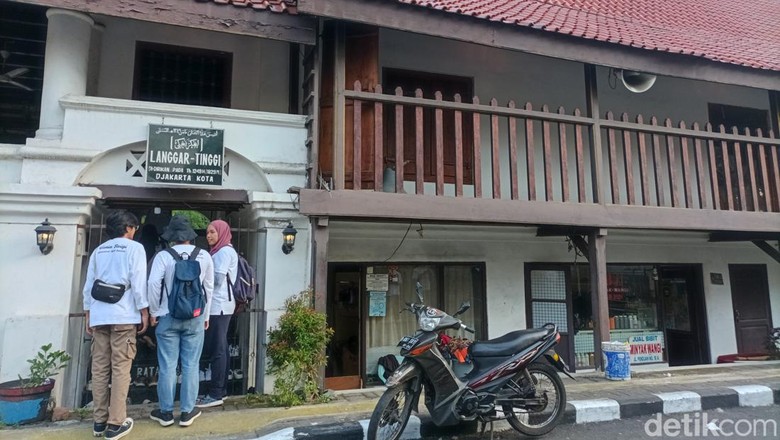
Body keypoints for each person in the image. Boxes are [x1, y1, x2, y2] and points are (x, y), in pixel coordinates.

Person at [83, 210, 149, 439]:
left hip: (100, 315)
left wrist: (88, 313)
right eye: (134, 228)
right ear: (129, 228)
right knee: (121, 368)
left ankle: (99, 422)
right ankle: (116, 422)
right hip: (124, 316)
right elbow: (139, 281)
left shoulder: (99, 251)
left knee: (99, 369)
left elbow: (89, 284)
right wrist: (144, 311)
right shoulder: (135, 249)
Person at [147, 215, 214, 428]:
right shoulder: (203, 256)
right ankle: (187, 412)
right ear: (190, 237)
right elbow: (209, 288)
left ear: (171, 237)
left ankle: (166, 413)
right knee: (191, 365)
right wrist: (206, 315)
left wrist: (154, 310)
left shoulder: (163, 256)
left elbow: (153, 284)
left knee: (167, 365)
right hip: (195, 317)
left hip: (167, 316)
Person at [196, 220, 238, 408]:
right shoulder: (220, 252)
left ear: (222, 233)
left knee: (217, 349)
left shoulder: (223, 252)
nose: (209, 236)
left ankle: (215, 393)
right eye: (207, 233)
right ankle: (221, 390)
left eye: (213, 232)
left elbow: (218, 280)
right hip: (221, 306)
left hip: (218, 306)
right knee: (221, 347)